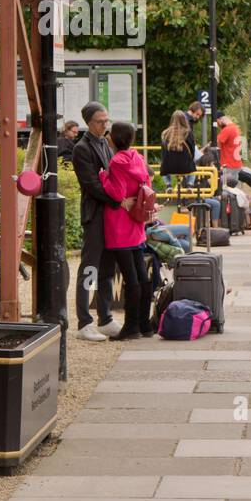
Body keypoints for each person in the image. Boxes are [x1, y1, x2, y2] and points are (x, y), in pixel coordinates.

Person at [98, 120, 155, 339]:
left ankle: (130, 327)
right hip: (136, 222)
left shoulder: (116, 162)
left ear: (114, 138)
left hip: (119, 223)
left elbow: (116, 193)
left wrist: (103, 176)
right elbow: (147, 185)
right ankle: (144, 325)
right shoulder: (137, 158)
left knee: (131, 279)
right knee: (142, 275)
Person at [71, 102, 121, 340]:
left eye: (106, 121)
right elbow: (91, 185)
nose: (105, 125)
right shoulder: (82, 148)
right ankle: (84, 322)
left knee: (107, 268)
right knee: (90, 267)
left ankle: (105, 317)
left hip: (108, 213)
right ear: (88, 123)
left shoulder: (105, 143)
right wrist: (118, 201)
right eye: (100, 121)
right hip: (95, 214)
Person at [160, 110, 196, 177]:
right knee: (194, 160)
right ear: (184, 120)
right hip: (186, 167)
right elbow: (192, 151)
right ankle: (190, 184)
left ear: (172, 120)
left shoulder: (165, 133)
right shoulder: (188, 133)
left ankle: (168, 184)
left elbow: (163, 153)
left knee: (163, 164)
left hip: (168, 167)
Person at [217, 114, 243, 186]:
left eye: (217, 122)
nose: (218, 125)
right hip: (235, 163)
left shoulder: (227, 129)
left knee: (224, 186)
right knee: (233, 185)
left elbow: (216, 143)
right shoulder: (235, 128)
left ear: (220, 119)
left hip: (228, 164)